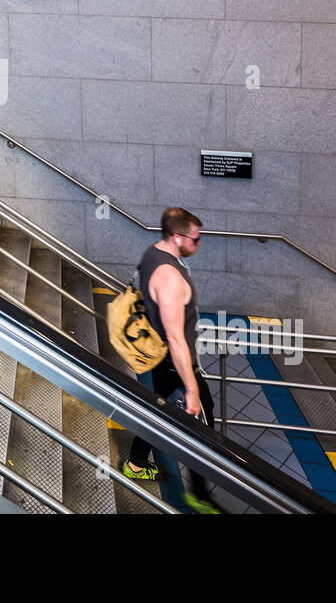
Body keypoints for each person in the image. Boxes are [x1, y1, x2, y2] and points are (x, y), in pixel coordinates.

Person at [121, 206, 222, 514]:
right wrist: (191, 388)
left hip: (158, 360)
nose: (199, 243)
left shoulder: (154, 253)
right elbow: (176, 337)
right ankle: (199, 496)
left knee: (160, 412)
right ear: (177, 238)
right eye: (195, 238)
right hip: (176, 365)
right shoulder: (170, 278)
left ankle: (136, 465)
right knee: (202, 428)